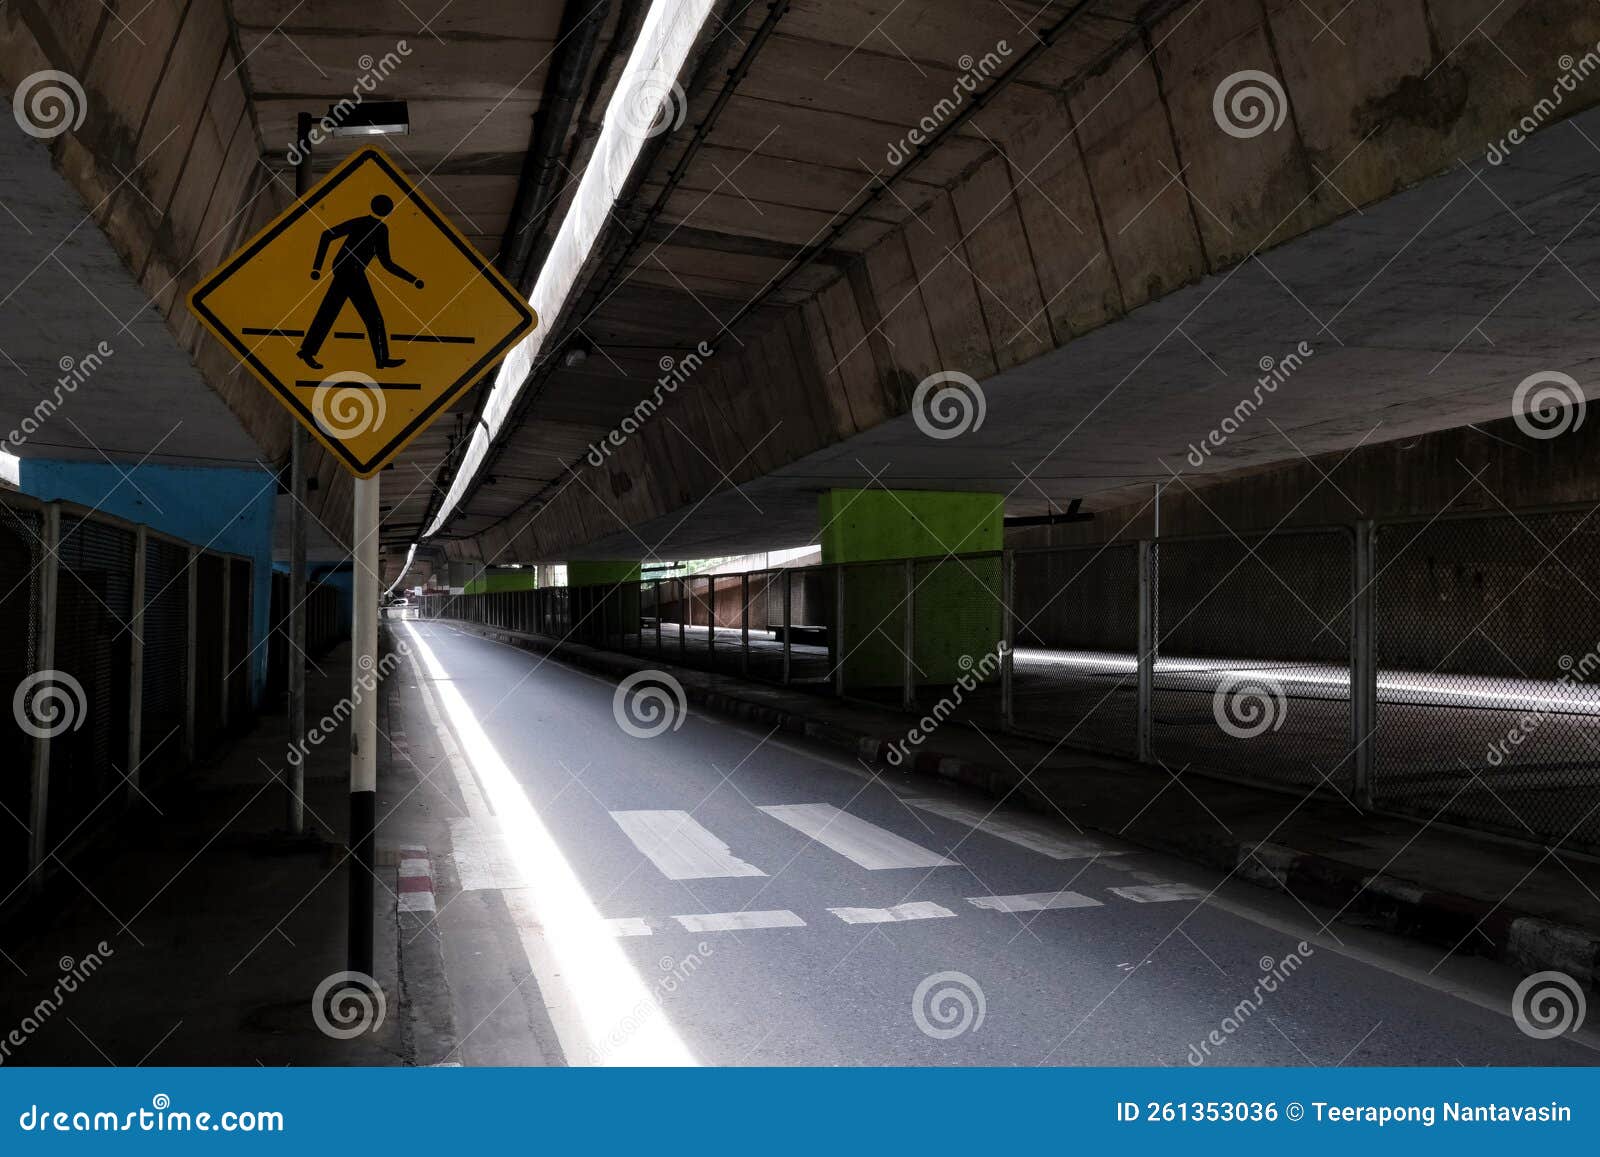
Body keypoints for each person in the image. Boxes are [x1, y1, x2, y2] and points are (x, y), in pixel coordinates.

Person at [297, 194, 423, 370]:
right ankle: (381, 359)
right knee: (373, 318)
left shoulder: (366, 224)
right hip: (352, 273)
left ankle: (307, 352)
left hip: (343, 270)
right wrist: (413, 280)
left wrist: (317, 268)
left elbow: (327, 235)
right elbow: (387, 263)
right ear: (388, 211)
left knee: (329, 311)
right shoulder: (380, 229)